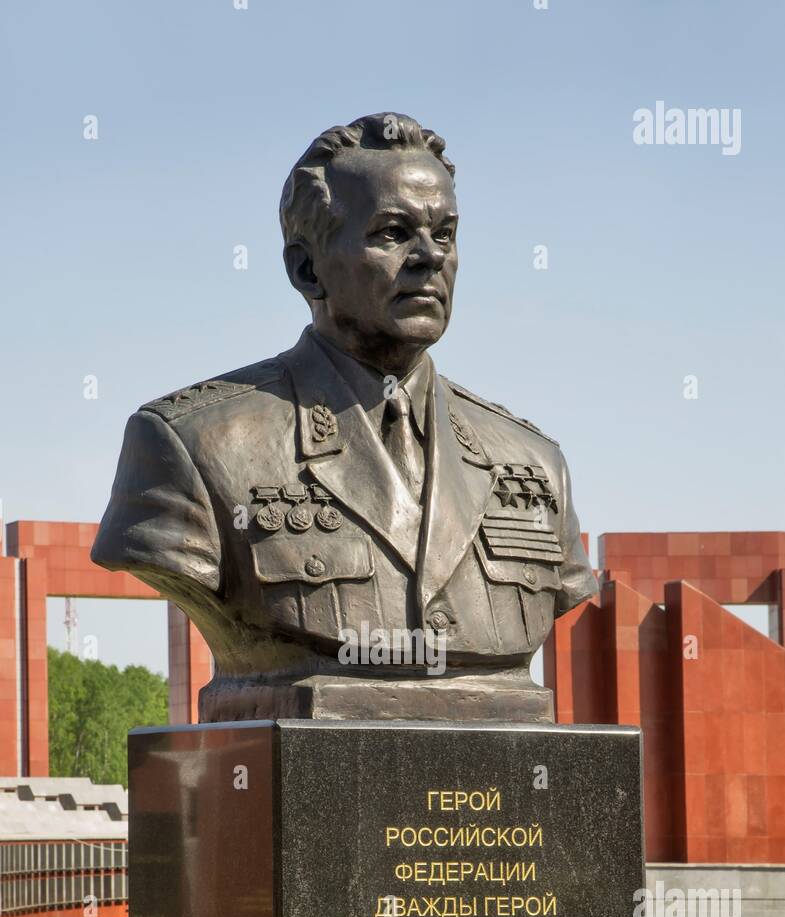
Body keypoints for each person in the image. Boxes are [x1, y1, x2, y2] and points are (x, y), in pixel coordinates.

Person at [92, 113, 597, 720]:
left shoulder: (534, 461)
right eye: (392, 233)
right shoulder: (192, 443)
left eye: (446, 233)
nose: (429, 257)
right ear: (307, 269)